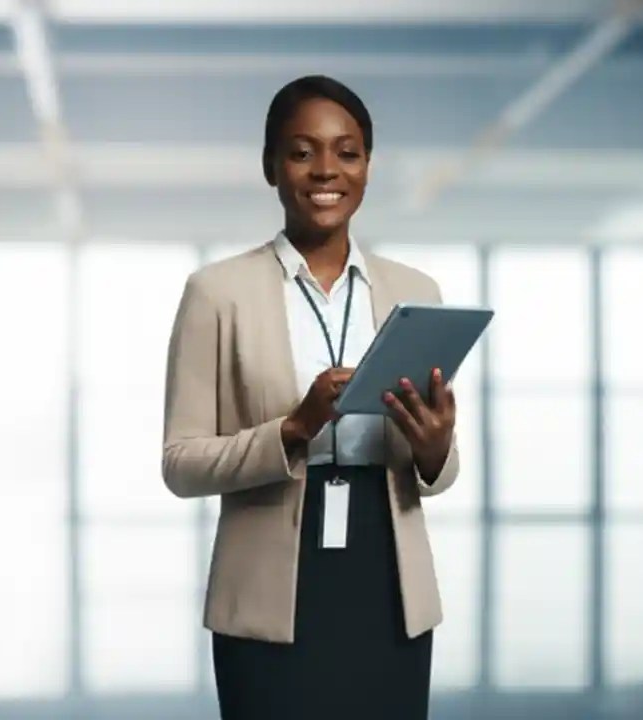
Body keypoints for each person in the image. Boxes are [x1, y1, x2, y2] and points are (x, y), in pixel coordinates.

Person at [161, 75, 461, 719]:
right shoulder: (217, 293)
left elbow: (438, 471)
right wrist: (293, 428)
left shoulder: (417, 292)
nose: (326, 170)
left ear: (367, 166)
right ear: (270, 166)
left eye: (347, 153)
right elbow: (180, 463)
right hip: (269, 592)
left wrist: (436, 449)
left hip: (389, 583)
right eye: (302, 152)